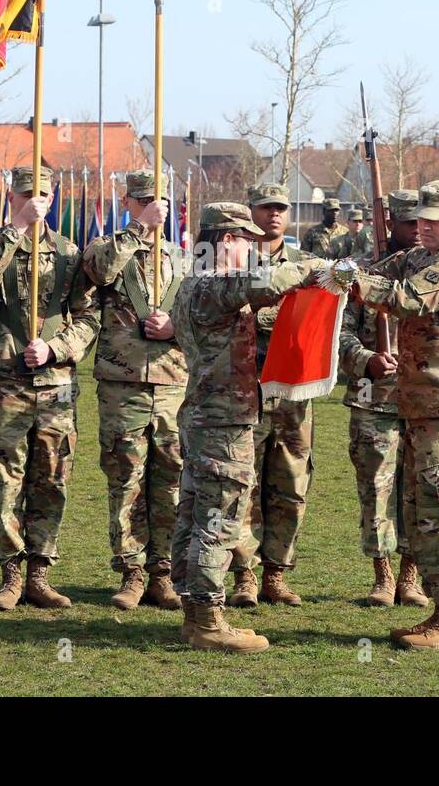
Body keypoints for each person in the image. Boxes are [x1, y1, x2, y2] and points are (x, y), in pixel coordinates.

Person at [170, 203, 320, 652]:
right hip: (224, 421)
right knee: (220, 517)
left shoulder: (191, 284)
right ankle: (208, 620)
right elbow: (268, 282)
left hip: (204, 416)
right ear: (227, 240)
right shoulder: (214, 284)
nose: (254, 251)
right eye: (247, 242)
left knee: (194, 515)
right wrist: (316, 268)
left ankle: (194, 614)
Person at [352, 180, 439, 651]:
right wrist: (331, 272)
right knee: (421, 509)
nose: (423, 227)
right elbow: (373, 272)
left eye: (434, 220)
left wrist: (351, 282)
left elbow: (404, 298)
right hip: (421, 406)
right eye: (420, 220)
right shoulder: (419, 257)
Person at [0, 165, 100, 611]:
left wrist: (56, 348)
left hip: (56, 384)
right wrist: (19, 227)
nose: (34, 200)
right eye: (26, 194)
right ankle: (10, 574)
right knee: (6, 478)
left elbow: (89, 317)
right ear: (12, 197)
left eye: (42, 193)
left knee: (52, 477)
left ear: (53, 196)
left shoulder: (68, 252)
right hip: (5, 380)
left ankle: (40, 572)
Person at [79, 171, 186, 611]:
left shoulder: (182, 259)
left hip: (173, 384)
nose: (154, 207)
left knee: (172, 480)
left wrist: (175, 328)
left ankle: (164, 571)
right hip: (122, 385)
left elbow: (200, 318)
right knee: (126, 478)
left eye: (159, 200)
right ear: (128, 203)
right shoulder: (108, 248)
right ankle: (131, 571)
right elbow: (97, 272)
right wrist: (139, 229)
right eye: (143, 201)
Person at [339, 188, 429, 607]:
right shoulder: (361, 272)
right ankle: (382, 575)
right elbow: (338, 333)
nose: (418, 230)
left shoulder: (434, 272)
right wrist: (366, 359)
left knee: (418, 488)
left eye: (424, 222)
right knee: (375, 489)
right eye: (410, 222)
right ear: (390, 222)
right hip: (372, 398)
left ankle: (410, 576)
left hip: (423, 399)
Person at [228, 182, 316, 607]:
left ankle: (276, 573)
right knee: (244, 481)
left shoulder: (306, 265)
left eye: (281, 208)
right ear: (251, 212)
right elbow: (231, 314)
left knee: (291, 483)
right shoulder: (235, 262)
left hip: (294, 393)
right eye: (265, 208)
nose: (274, 214)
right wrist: (274, 317)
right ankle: (244, 573)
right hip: (246, 387)